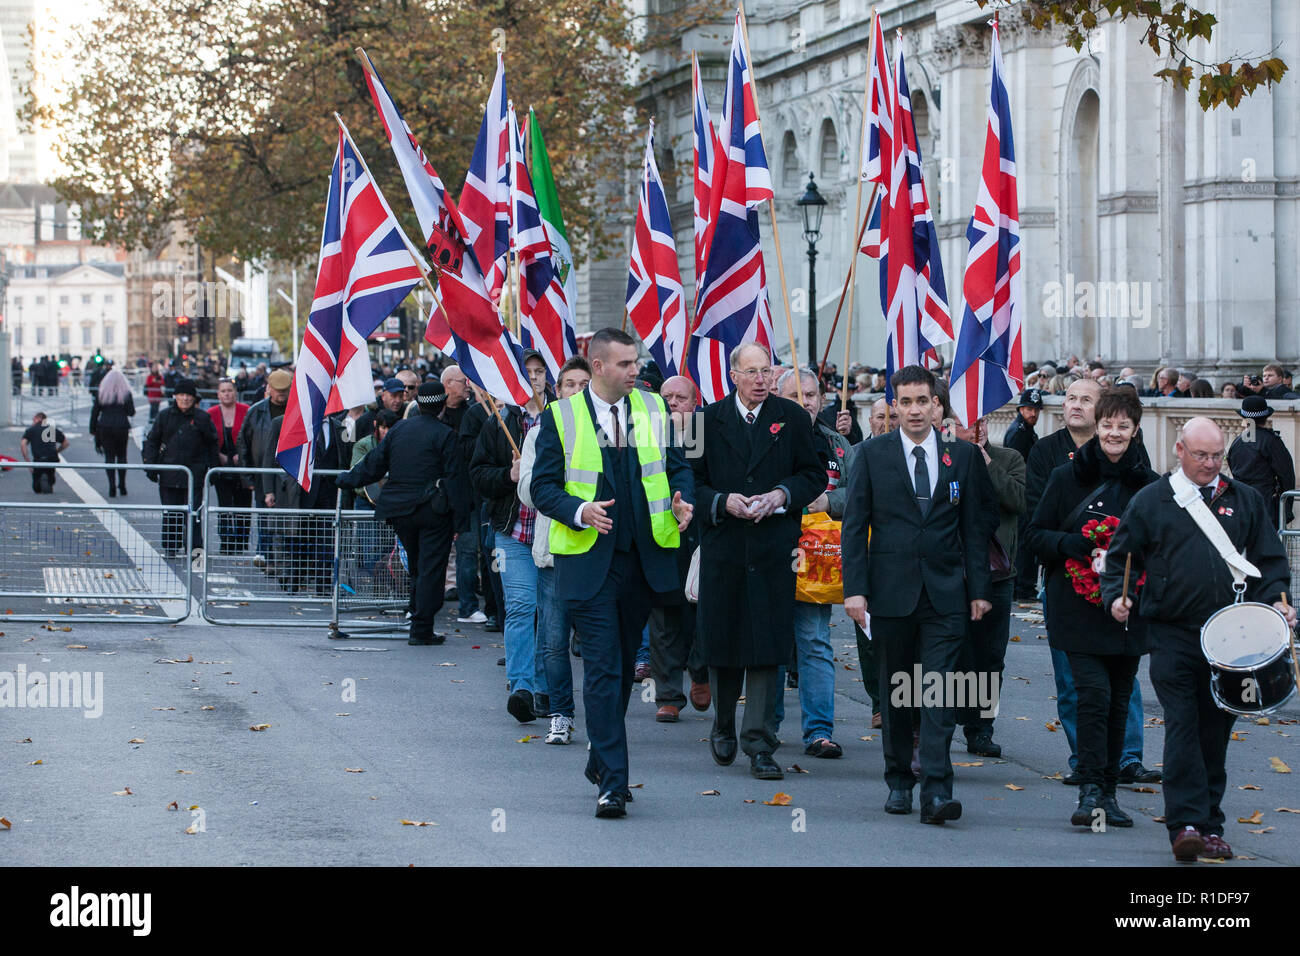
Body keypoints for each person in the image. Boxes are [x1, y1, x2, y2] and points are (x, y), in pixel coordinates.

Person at [1104, 418, 1296, 861]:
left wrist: (1280, 602)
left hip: (1230, 638)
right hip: (1171, 633)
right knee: (1183, 727)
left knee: (1215, 733)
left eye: (1216, 456)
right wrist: (1119, 595)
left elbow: (1269, 561)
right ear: (1179, 450)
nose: (1210, 464)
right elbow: (1122, 556)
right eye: (1201, 455)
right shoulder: (1153, 500)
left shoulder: (1243, 499)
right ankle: (1186, 824)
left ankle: (1211, 824)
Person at [530, 328, 695, 818]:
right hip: (588, 563)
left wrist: (683, 501)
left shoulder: (652, 408)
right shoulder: (559, 416)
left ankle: (599, 756)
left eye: (636, 362)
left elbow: (676, 467)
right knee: (602, 667)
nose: (636, 370)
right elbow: (542, 488)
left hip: (644, 562)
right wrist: (580, 511)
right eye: (625, 363)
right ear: (598, 367)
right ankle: (613, 785)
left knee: (623, 668)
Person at [842, 365, 995, 824]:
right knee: (896, 693)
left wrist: (980, 590)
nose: (913, 410)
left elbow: (976, 528)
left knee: (938, 693)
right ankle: (898, 781)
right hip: (890, 595)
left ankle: (936, 790)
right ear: (894, 406)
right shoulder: (871, 454)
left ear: (937, 406)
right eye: (904, 402)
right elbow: (854, 527)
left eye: (921, 401)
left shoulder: (962, 457)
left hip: (947, 595)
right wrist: (856, 591)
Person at [689, 345, 823, 783]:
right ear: (733, 375)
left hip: (772, 549)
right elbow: (686, 481)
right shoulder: (704, 421)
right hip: (725, 548)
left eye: (767, 370)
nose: (761, 379)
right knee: (725, 641)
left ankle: (761, 743)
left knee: (767, 647)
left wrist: (782, 494)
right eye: (751, 371)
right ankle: (724, 722)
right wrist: (722, 502)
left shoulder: (793, 416)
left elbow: (814, 474)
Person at [1026, 388, 1157, 830]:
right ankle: (1089, 791)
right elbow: (1035, 535)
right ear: (1096, 427)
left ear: (1135, 430)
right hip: (1076, 607)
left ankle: (1109, 793)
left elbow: (1164, 548)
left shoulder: (1151, 485)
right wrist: (1076, 545)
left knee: (1119, 700)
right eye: (1107, 425)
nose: (1114, 434)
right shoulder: (1066, 478)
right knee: (1093, 696)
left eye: (1123, 426)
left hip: (1127, 610)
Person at [336, 382, 468, 645]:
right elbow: (457, 480)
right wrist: (460, 521)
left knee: (418, 566)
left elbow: (373, 464)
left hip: (399, 511)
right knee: (431, 569)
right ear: (442, 405)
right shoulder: (446, 435)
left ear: (417, 404)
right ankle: (421, 628)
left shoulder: (399, 431)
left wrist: (345, 479)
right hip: (434, 512)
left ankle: (416, 616)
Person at [470, 350, 552, 723]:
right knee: (521, 607)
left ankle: (547, 687)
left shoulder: (563, 420)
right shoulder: (499, 423)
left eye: (539, 372)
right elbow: (478, 475)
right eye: (527, 372)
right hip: (513, 532)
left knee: (550, 613)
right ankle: (522, 686)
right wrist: (509, 475)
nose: (533, 379)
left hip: (554, 534)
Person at [775, 367, 851, 758]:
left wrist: (830, 503)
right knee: (770, 644)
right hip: (772, 553)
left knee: (815, 642)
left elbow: (860, 494)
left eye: (810, 394)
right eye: (794, 395)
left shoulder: (837, 444)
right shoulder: (765, 436)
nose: (804, 402)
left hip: (820, 563)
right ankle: (765, 728)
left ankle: (819, 732)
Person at [518, 356, 592, 744]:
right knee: (553, 640)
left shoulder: (608, 429)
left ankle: (601, 717)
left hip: (598, 551)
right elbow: (528, 492)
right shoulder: (540, 432)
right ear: (557, 390)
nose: (577, 392)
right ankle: (561, 714)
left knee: (600, 643)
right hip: (554, 554)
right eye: (569, 385)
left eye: (584, 384)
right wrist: (556, 480)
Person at [954, 414, 1024, 759]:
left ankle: (980, 728)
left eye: (981, 422)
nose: (976, 429)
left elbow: (1018, 500)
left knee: (989, 656)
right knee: (952, 652)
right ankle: (939, 724)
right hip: (951, 573)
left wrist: (984, 461)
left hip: (997, 574)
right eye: (966, 422)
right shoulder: (945, 456)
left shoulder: (1009, 458)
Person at [142, 379, 217, 556]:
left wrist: (212, 470)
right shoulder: (164, 416)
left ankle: (195, 549)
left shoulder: (202, 418)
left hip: (195, 475)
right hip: (169, 474)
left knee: (194, 516)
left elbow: (212, 444)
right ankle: (171, 547)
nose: (185, 399)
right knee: (171, 514)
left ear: (194, 398)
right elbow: (152, 441)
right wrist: (151, 467)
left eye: (188, 395)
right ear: (175, 396)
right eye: (181, 395)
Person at [239, 368, 292, 570]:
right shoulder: (256, 411)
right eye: (277, 390)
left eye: (284, 390)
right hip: (263, 473)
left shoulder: (297, 411)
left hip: (289, 475)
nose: (280, 394)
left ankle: (283, 557)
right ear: (269, 388)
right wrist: (248, 476)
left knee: (287, 517)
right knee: (264, 514)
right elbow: (243, 443)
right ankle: (264, 552)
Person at [1227, 395, 1296, 528]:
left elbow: (1232, 466)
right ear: (1265, 417)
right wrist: (1286, 508)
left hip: (1240, 502)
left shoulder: (1238, 441)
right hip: (1266, 504)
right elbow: (1286, 475)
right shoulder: (1271, 441)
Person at [207, 379, 251, 553]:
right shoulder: (210, 413)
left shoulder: (246, 411)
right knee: (224, 504)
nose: (226, 394)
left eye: (229, 390)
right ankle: (225, 541)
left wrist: (242, 455)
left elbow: (250, 437)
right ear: (218, 394)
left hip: (242, 464)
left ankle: (241, 541)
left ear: (235, 392)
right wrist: (218, 455)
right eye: (223, 391)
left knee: (243, 504)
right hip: (221, 465)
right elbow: (208, 441)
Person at [88, 368, 135, 498]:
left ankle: (112, 486)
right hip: (121, 426)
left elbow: (95, 412)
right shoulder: (126, 394)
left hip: (105, 426)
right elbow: (131, 412)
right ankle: (122, 484)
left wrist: (92, 429)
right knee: (122, 456)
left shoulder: (102, 393)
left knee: (109, 457)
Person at [20, 412, 67, 493]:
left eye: (33, 419)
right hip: (52, 459)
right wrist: (57, 452)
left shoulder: (31, 430)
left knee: (36, 488)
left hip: (38, 460)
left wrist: (27, 461)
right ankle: (49, 480)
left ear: (38, 418)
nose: (32, 422)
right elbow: (66, 443)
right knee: (50, 477)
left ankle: (40, 483)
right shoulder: (51, 429)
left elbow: (23, 444)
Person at [1003, 387, 1042, 461]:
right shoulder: (1018, 433)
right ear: (1021, 410)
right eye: (1029, 409)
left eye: (1036, 410)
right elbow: (1015, 465)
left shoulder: (1027, 428)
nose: (1033, 414)